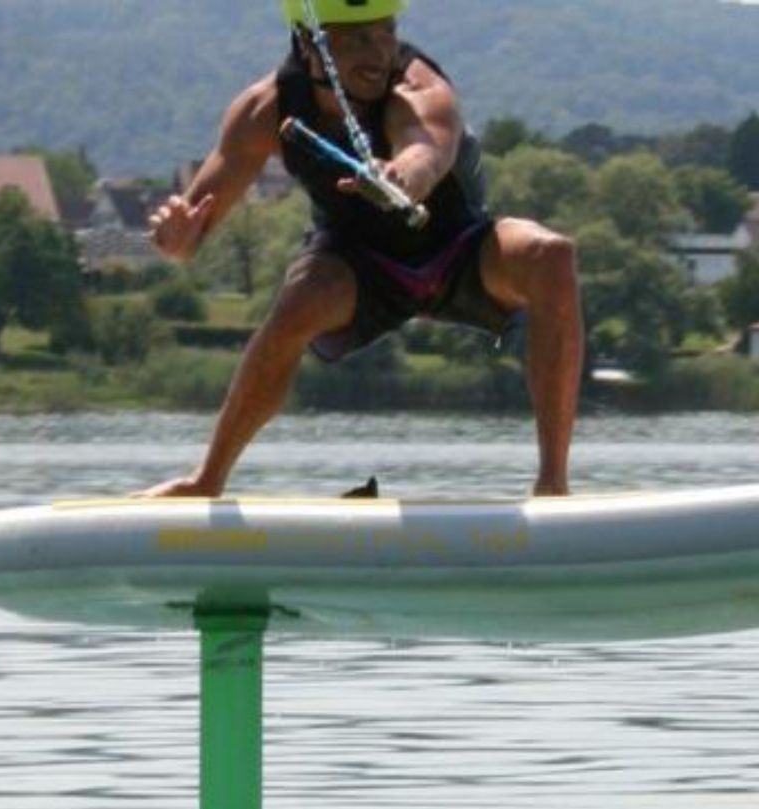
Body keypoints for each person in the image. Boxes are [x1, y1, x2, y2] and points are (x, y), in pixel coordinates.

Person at [140, 0, 582, 498]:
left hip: (459, 249)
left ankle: (553, 485)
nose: (378, 54)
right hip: (357, 267)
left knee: (552, 255)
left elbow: (425, 149)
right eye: (354, 40)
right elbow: (189, 232)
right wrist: (175, 240)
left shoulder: (417, 88)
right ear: (310, 45)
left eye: (385, 32)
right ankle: (207, 481)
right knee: (299, 302)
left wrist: (402, 176)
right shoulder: (265, 110)